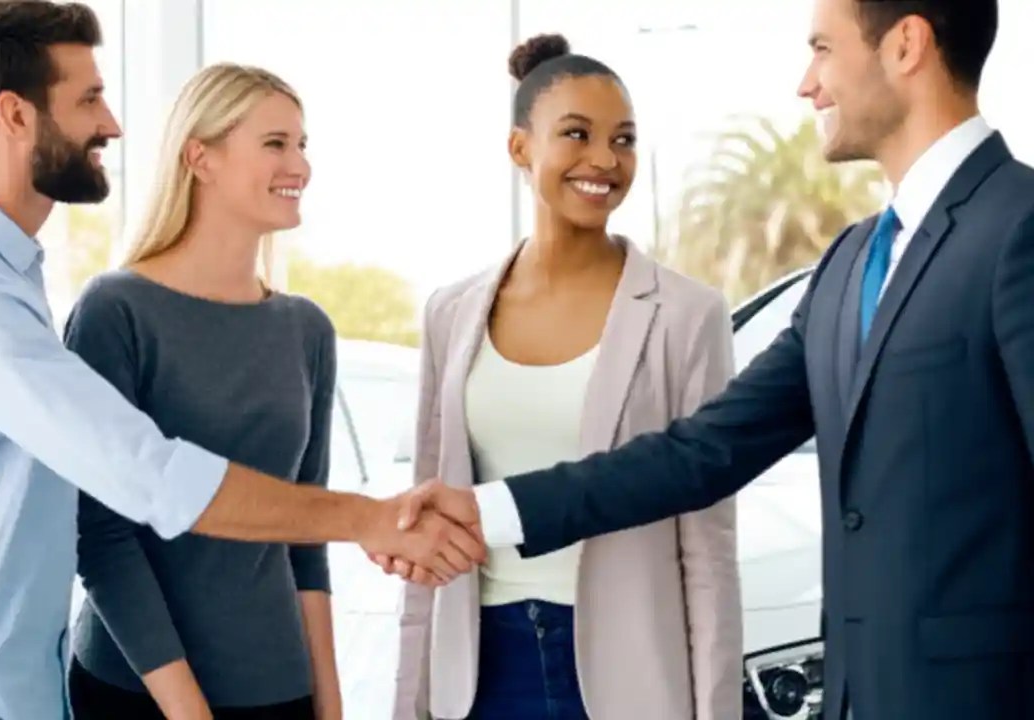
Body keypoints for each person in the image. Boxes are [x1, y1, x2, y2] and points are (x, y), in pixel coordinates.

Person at [0, 3, 483, 719]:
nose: (111, 123)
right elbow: (141, 477)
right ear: (15, 116)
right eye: (87, 99)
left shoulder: (5, 274)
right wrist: (369, 518)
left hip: (10, 690)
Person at [388, 0, 1034, 718]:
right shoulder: (849, 263)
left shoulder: (1020, 227)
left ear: (906, 45)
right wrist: (490, 510)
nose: (806, 84)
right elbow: (702, 451)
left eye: (822, 48)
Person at [389, 34, 743, 720]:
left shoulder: (688, 316)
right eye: (576, 134)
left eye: (625, 140)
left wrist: (716, 708)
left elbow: (708, 546)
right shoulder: (451, 313)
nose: (604, 161)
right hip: (481, 671)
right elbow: (425, 525)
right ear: (521, 148)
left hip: (629, 676)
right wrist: (411, 703)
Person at [63, 63, 339, 720]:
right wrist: (189, 711)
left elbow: (308, 535)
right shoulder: (115, 311)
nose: (299, 163)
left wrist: (329, 705)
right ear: (200, 156)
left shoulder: (307, 330)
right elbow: (100, 537)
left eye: (303, 145)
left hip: (279, 689)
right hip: (138, 694)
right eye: (275, 143)